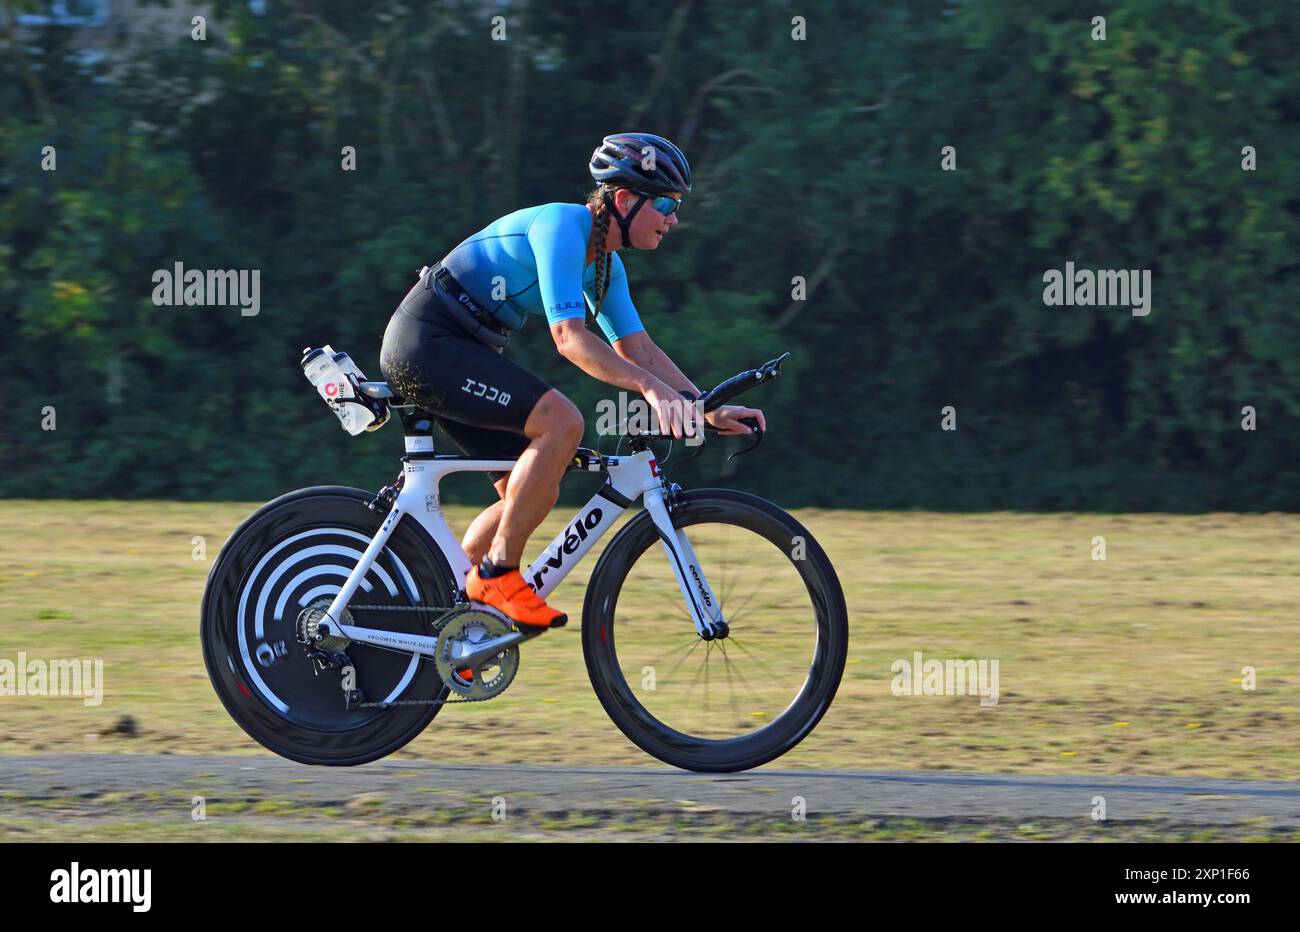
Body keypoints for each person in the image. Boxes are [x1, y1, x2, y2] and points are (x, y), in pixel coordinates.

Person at [379, 132, 766, 631]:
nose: (674, 219)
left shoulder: (605, 266)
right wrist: (651, 390)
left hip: (463, 351)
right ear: (624, 200)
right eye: (667, 204)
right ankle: (496, 576)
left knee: (531, 487)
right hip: (427, 342)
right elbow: (568, 338)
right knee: (562, 423)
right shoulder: (563, 226)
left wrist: (705, 407)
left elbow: (638, 349)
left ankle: (451, 615)